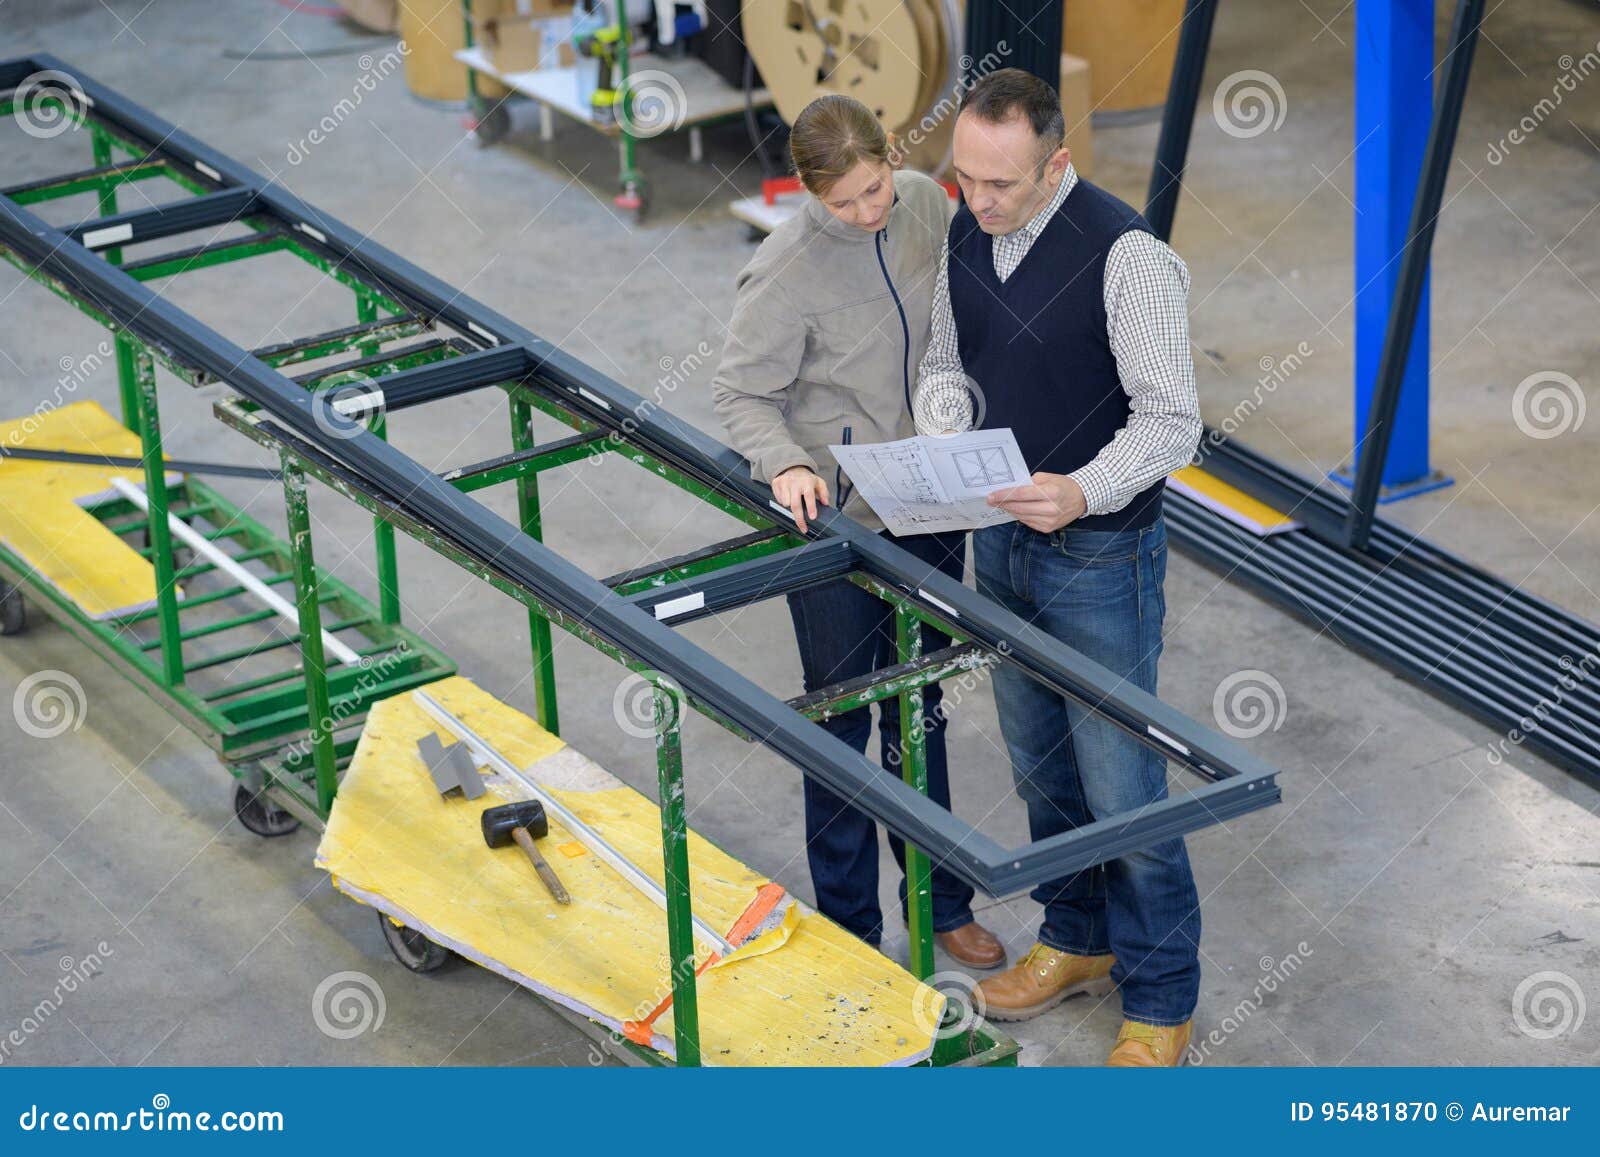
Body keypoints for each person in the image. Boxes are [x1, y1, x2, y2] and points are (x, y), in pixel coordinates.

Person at [914, 69, 1204, 1065]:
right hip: (998, 534)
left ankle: (1162, 995)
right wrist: (946, 435)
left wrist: (1081, 488)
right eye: (964, 180)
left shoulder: (1129, 259)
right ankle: (1078, 939)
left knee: (1123, 782)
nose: (978, 203)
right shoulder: (965, 227)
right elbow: (949, 360)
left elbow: (1172, 423)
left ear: (1059, 164)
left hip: (1098, 555)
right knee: (1040, 762)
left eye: (1001, 184)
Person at [711, 94, 1004, 970]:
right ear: (808, 190)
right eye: (846, 202)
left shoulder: (925, 202)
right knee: (839, 718)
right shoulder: (785, 269)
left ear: (891, 160)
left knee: (924, 707)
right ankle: (852, 928)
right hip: (836, 519)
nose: (869, 211)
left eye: (876, 187)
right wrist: (787, 464)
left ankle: (941, 898)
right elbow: (739, 395)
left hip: (931, 499)